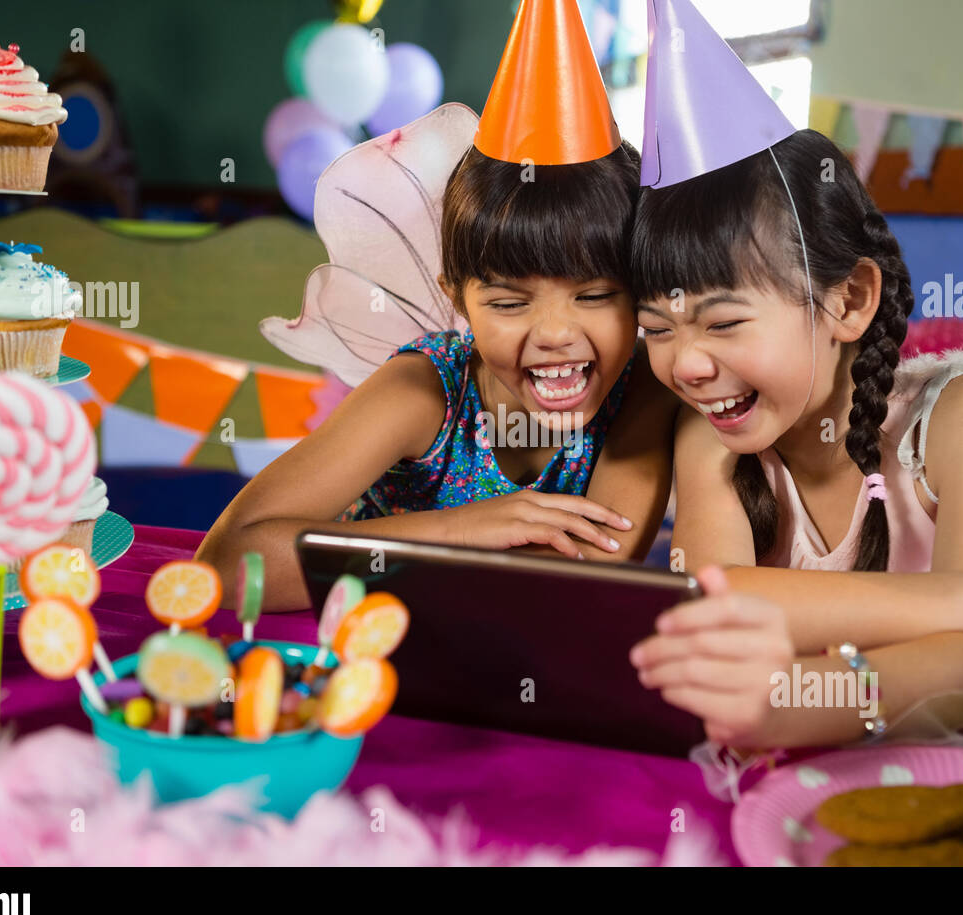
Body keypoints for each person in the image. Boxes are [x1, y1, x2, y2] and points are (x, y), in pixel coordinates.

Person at [628, 0, 963, 749]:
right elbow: (713, 598)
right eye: (655, 329)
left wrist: (796, 701)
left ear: (849, 299)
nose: (686, 364)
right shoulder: (713, 439)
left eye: (724, 323)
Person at [198, 0, 678, 611]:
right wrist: (461, 531)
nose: (555, 333)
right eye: (508, 303)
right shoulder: (426, 391)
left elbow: (579, 576)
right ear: (458, 298)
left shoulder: (645, 386)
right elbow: (230, 566)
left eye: (595, 296)